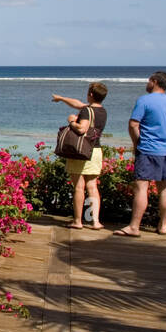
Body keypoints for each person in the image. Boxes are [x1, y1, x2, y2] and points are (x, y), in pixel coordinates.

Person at [116, 70, 166, 237]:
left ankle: (134, 227)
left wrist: (136, 143)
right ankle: (163, 225)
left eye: (149, 81)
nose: (147, 83)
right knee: (165, 188)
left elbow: (133, 124)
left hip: (148, 149)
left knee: (141, 187)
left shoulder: (144, 100)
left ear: (154, 81)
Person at [52, 83, 109, 229]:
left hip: (81, 152)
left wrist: (71, 121)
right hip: (95, 151)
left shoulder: (86, 111)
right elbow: (79, 105)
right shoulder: (101, 111)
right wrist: (62, 98)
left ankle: (78, 221)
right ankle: (95, 221)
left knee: (79, 187)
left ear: (90, 94)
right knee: (92, 186)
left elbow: (82, 128)